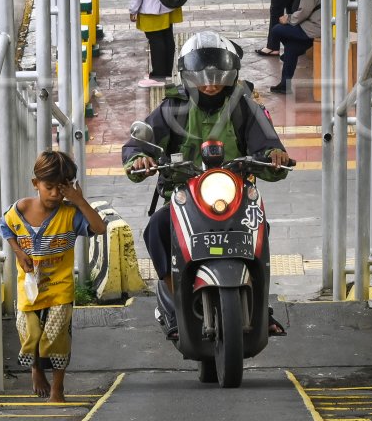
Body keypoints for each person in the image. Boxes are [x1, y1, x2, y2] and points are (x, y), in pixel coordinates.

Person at [121, 31, 290, 340]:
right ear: (189, 76)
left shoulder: (245, 107)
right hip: (184, 194)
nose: (211, 82)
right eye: (203, 76)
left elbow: (267, 144)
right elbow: (138, 144)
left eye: (218, 75)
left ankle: (258, 305)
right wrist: (138, 160)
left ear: (230, 74)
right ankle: (174, 304)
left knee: (260, 231)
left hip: (235, 194)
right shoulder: (173, 107)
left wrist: (274, 156)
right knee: (157, 230)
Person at [0, 150, 106, 402]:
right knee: (29, 332)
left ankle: (58, 386)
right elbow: (4, 226)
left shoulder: (70, 215)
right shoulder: (20, 210)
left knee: (57, 336)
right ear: (35, 184)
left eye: (62, 188)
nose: (56, 194)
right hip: (30, 286)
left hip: (60, 287)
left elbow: (99, 227)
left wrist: (79, 201)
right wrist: (17, 252)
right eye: (49, 187)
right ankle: (35, 369)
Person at [266, 0, 322, 95]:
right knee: (291, 47)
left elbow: (305, 10)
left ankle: (296, 51)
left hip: (316, 26)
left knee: (277, 30)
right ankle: (285, 84)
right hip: (321, 23)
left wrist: (289, 19)